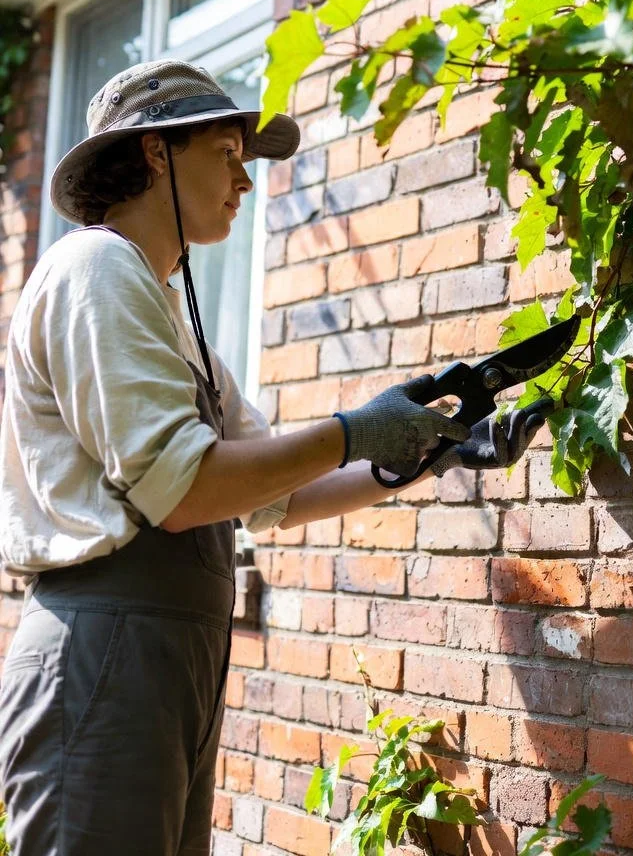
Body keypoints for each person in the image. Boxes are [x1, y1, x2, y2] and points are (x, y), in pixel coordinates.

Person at [0, 59, 545, 856]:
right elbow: (183, 492)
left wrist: (430, 454)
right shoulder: (95, 266)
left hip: (169, 656)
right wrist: (359, 430)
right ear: (155, 152)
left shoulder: (171, 319)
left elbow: (270, 491)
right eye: (227, 154)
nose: (244, 182)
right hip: (106, 649)